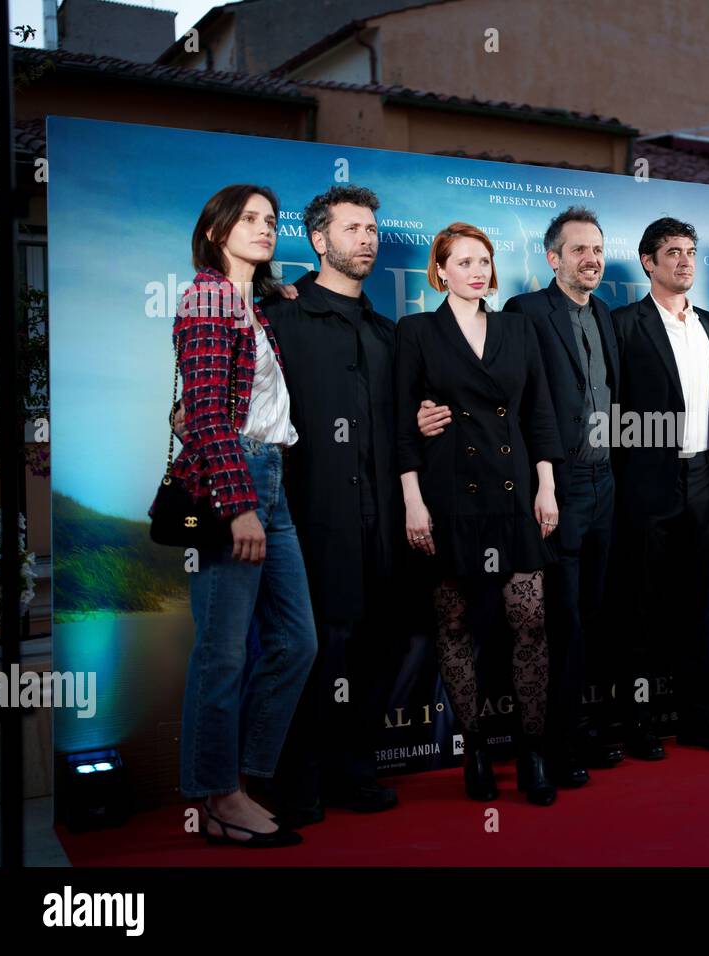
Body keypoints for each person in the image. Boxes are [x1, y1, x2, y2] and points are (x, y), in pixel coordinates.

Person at [161, 183, 317, 847]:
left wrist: (276, 293)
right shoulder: (208, 296)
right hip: (239, 483)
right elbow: (204, 415)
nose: (264, 227)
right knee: (223, 651)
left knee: (296, 641)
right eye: (249, 218)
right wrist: (239, 505)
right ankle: (217, 796)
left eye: (271, 220)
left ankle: (243, 777)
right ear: (218, 230)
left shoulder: (246, 302)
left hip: (270, 476)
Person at [395, 222, 564, 805]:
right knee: (456, 625)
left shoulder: (519, 328)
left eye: (484, 259)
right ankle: (475, 751)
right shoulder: (416, 332)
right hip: (448, 496)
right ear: (439, 270)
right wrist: (413, 502)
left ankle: (534, 751)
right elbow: (402, 427)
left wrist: (547, 487)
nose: (476, 269)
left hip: (515, 492)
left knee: (530, 623)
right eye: (463, 261)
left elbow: (539, 412)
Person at [261, 185, 402, 825]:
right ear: (319, 240)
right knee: (310, 650)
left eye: (372, 229)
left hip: (384, 525)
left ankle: (356, 768)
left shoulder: (387, 333)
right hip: (307, 521)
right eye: (352, 228)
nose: (366, 238)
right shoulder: (280, 316)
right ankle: (296, 779)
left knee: (375, 648)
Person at [490, 207, 625, 785]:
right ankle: (552, 744)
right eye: (579, 250)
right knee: (560, 620)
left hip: (606, 484)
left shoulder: (608, 316)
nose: (592, 259)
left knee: (592, 615)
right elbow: (507, 395)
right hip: (557, 487)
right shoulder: (525, 313)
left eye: (597, 249)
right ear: (553, 258)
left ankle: (579, 729)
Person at [609, 216, 709, 758]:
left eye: (690, 251)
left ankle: (696, 719)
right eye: (672, 252)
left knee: (696, 606)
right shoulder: (623, 324)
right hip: (643, 486)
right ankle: (636, 724)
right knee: (639, 609)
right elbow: (609, 411)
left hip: (703, 481)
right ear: (648, 262)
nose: (685, 261)